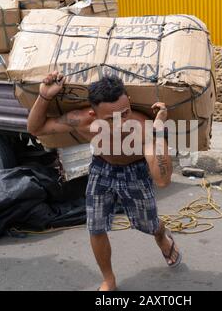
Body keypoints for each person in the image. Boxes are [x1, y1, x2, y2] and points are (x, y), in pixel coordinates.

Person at [28, 72, 182, 291]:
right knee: (96, 226)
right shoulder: (83, 120)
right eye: (111, 118)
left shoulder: (143, 127)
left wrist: (158, 130)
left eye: (125, 113)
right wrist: (44, 96)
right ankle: (109, 279)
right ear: (94, 113)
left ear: (128, 100)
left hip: (135, 172)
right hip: (102, 168)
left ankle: (160, 236)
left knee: (147, 223)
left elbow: (163, 180)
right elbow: (36, 128)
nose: (121, 122)